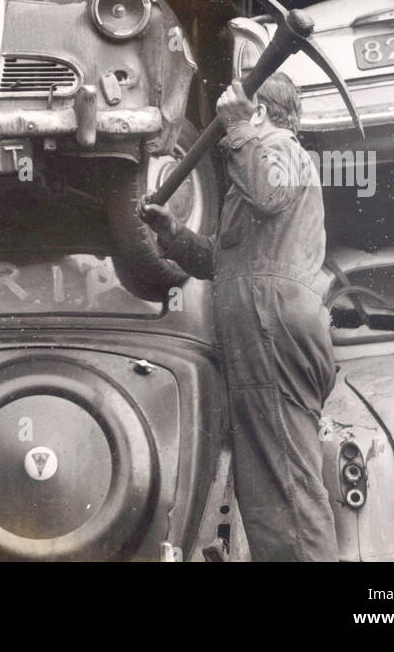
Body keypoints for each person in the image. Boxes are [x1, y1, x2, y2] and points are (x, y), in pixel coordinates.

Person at [141, 72, 339, 562]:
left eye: (239, 111)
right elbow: (226, 263)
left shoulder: (281, 150)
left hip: (270, 325)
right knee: (274, 483)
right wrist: (174, 236)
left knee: (285, 485)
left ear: (261, 112)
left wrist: (237, 127)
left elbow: (269, 195)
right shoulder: (260, 158)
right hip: (262, 323)